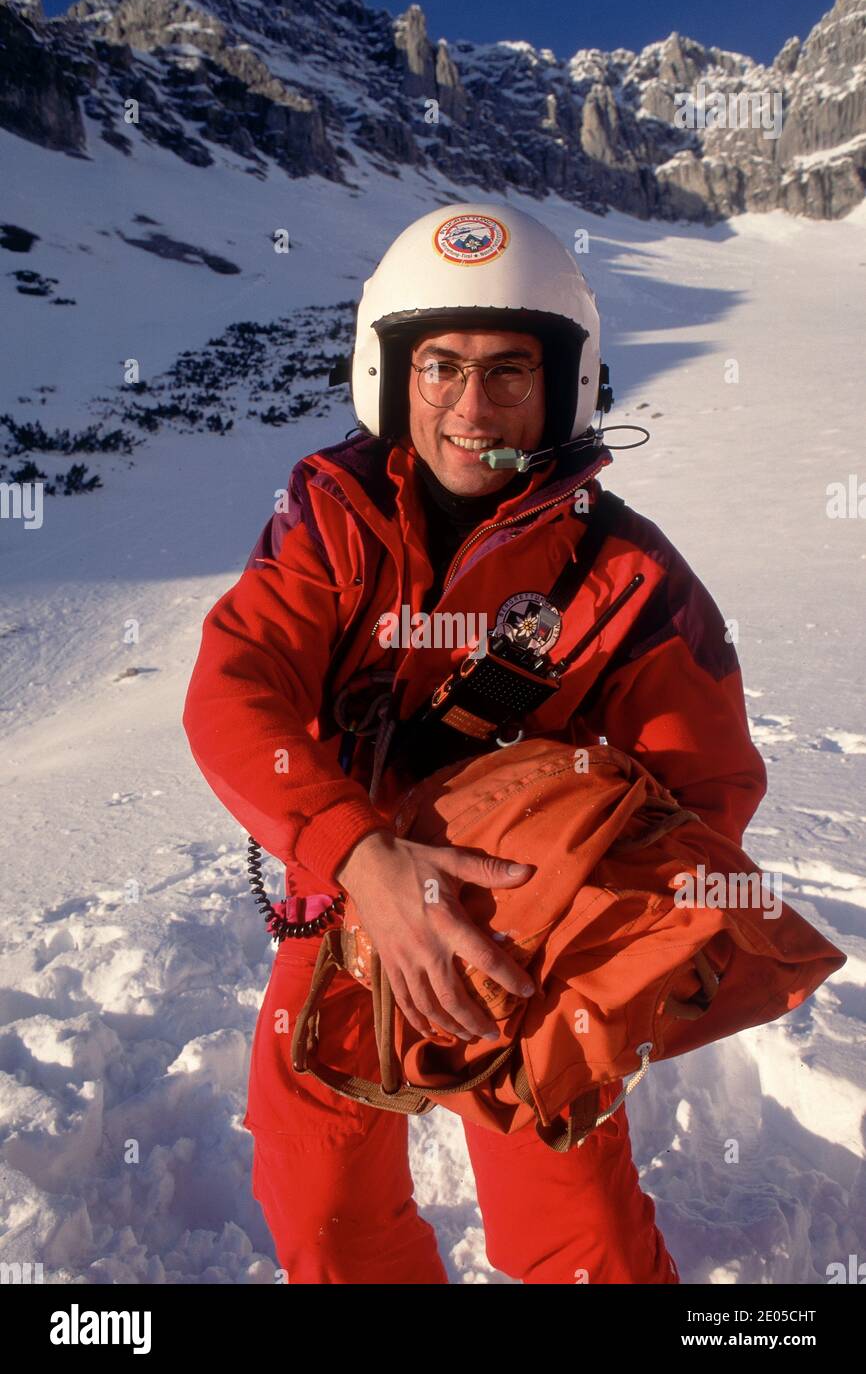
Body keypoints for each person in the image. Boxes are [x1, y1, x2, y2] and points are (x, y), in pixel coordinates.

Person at [182, 203, 767, 1284]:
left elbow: (708, 784)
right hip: (350, 903)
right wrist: (361, 858)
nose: (469, 405)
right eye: (441, 367)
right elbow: (233, 691)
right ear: (393, 377)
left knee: (580, 1235)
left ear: (559, 388)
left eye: (507, 372)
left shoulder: (626, 576)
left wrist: (575, 917)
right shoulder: (332, 527)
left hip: (530, 947)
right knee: (320, 1203)